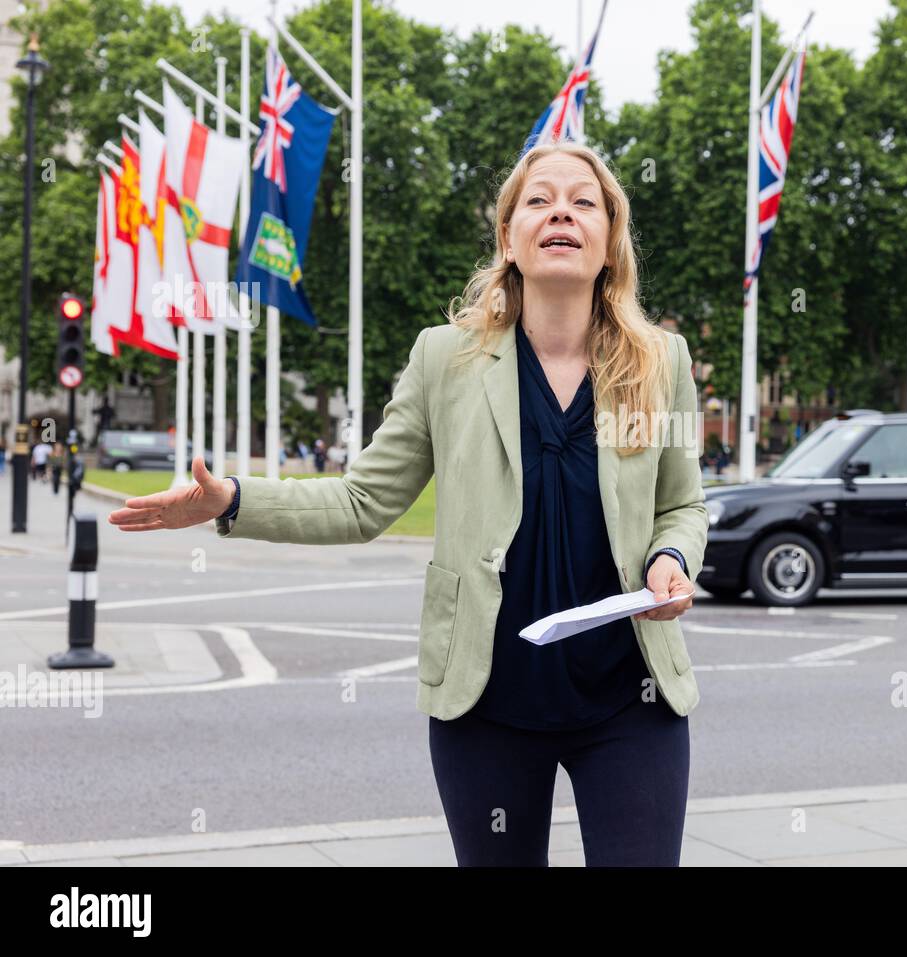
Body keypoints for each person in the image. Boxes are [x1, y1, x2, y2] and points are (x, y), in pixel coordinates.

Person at [106, 142, 707, 868]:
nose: (561, 212)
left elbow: (680, 505)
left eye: (584, 202)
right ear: (509, 239)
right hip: (485, 704)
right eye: (538, 200)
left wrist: (671, 557)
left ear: (610, 240)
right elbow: (363, 500)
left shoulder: (657, 363)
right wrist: (232, 499)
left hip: (629, 699)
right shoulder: (443, 359)